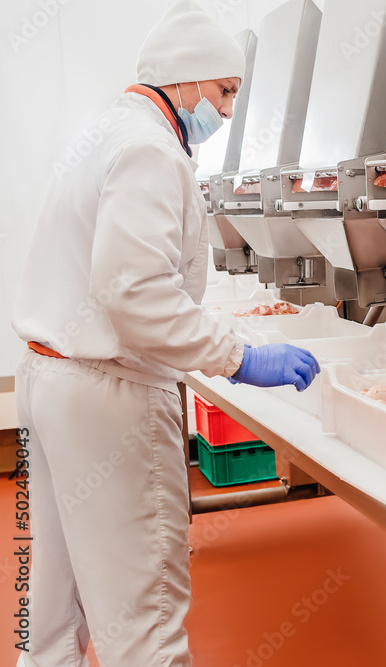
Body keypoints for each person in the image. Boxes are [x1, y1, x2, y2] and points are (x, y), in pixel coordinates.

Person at [11, 1, 320, 665]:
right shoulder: (151, 151)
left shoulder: (102, 135)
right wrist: (239, 357)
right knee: (145, 621)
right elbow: (136, 294)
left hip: (49, 381)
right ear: (184, 80)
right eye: (225, 92)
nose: (229, 111)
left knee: (55, 617)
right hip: (108, 394)